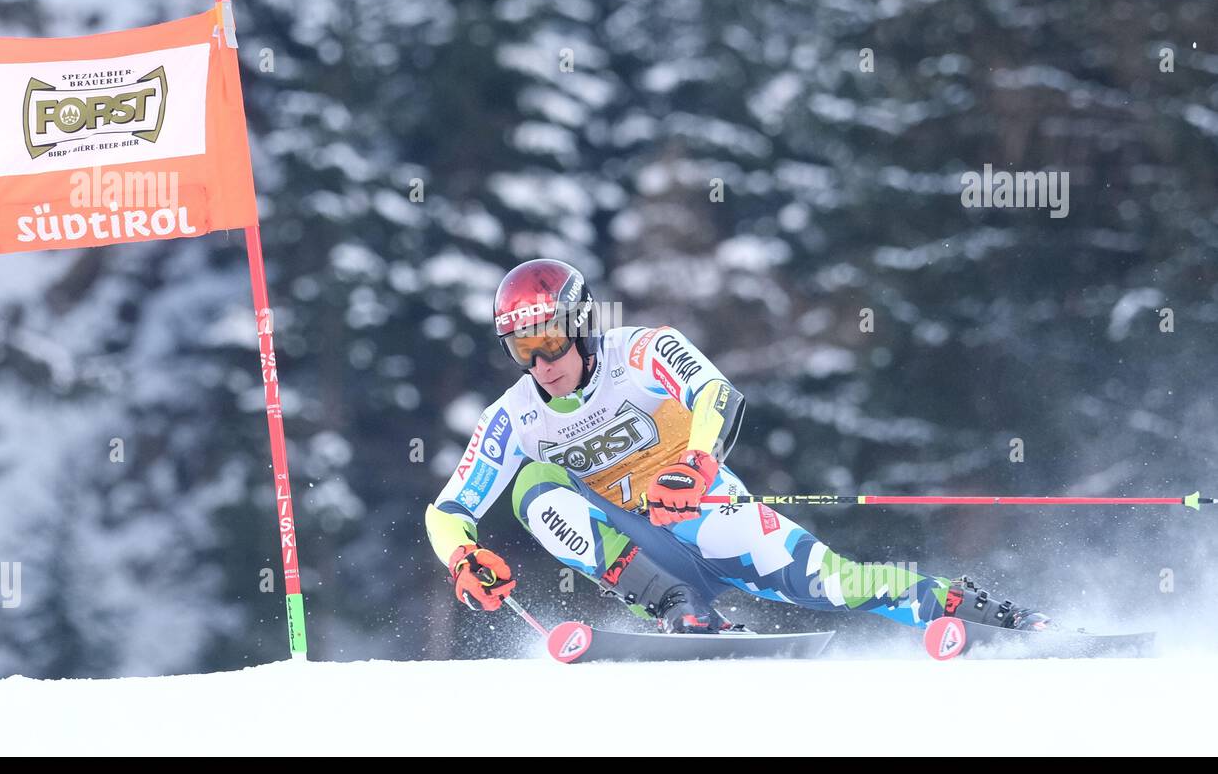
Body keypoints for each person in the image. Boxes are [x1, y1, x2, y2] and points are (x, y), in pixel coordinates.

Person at [425, 258, 1053, 634]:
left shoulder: (641, 351)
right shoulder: (514, 416)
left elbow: (715, 393)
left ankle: (971, 610)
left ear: (581, 322)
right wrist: (463, 560)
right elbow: (447, 512)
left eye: (551, 340)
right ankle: (682, 610)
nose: (541, 363)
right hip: (644, 558)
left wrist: (696, 466)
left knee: (837, 583)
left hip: (711, 517)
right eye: (521, 348)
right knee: (534, 487)